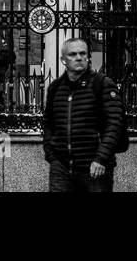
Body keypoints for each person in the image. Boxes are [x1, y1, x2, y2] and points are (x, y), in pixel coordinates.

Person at [42, 37, 125, 192]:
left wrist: (101, 158)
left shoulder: (102, 83)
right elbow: (48, 123)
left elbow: (114, 123)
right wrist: (51, 155)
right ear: (63, 59)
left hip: (94, 168)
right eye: (72, 54)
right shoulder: (55, 88)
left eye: (82, 53)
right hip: (61, 168)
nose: (78, 58)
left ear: (88, 56)